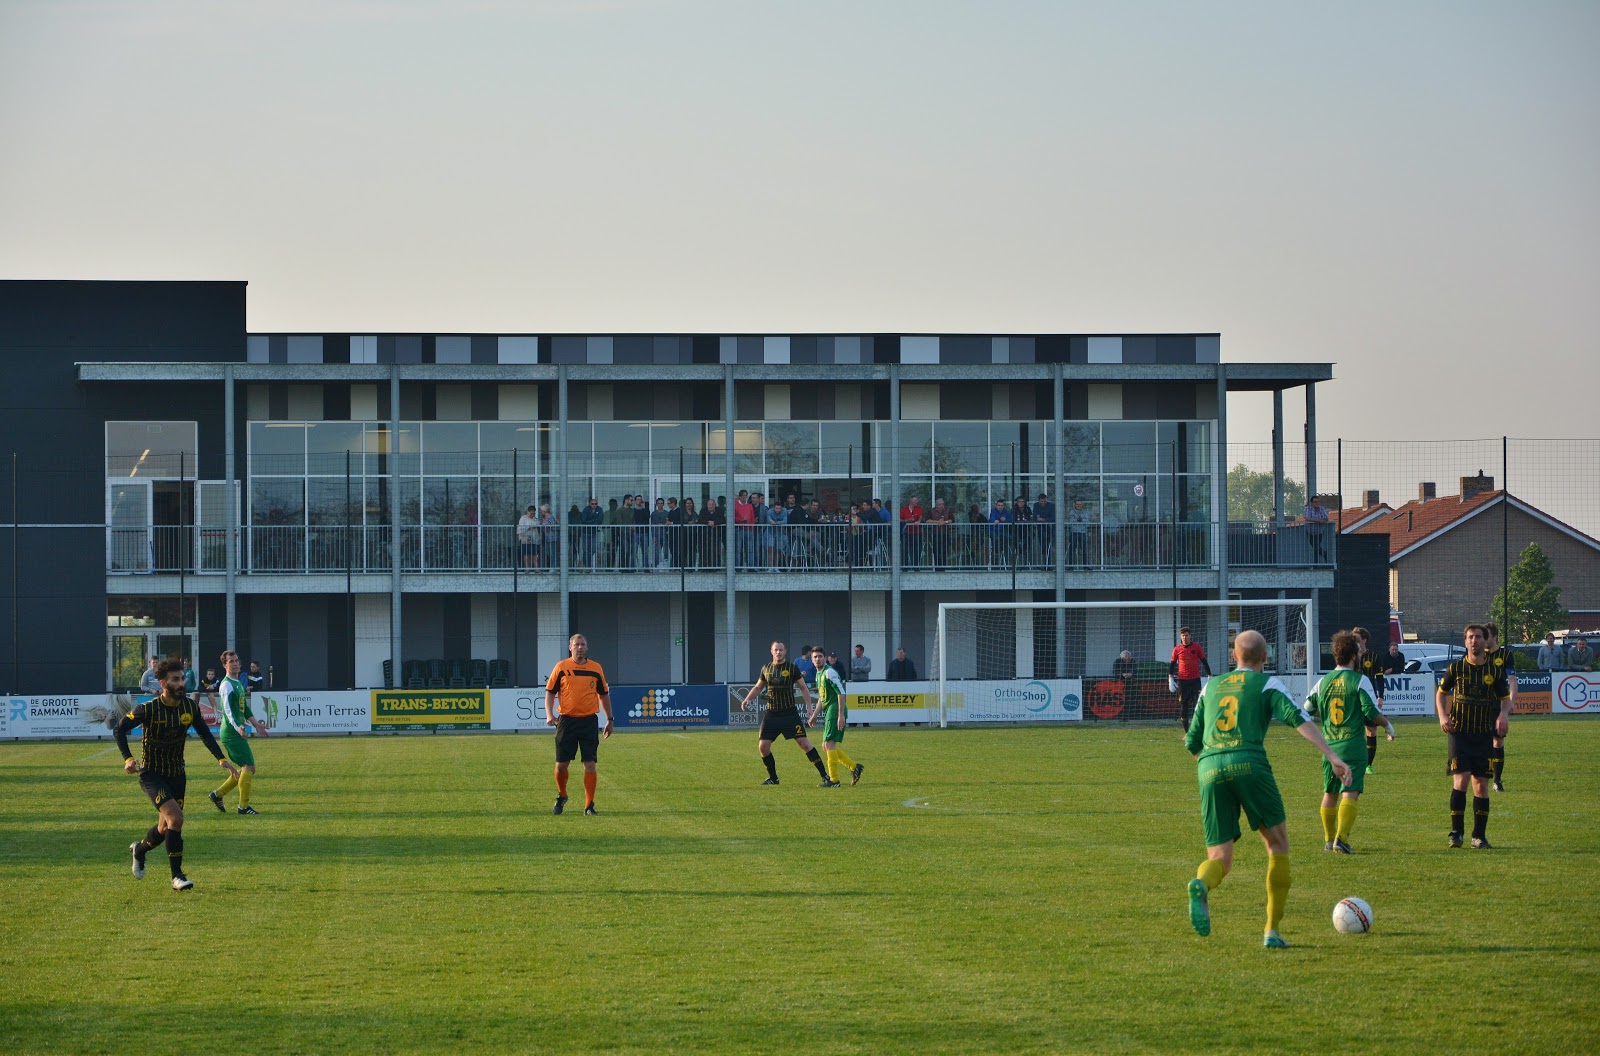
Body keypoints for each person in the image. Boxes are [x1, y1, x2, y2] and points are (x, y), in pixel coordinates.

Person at [1184, 630, 1352, 948]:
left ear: (1234, 656)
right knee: (1277, 845)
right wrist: (1332, 756)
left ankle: (1202, 883)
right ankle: (1271, 931)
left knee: (1220, 857)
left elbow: (1192, 741)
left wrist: (1215, 768)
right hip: (1250, 763)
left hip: (1208, 766)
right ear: (1265, 657)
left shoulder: (1210, 687)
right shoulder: (1267, 683)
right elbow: (1298, 717)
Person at [114, 657, 239, 891]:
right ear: (163, 683)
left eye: (182, 678)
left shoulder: (190, 708)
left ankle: (139, 849)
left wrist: (222, 759)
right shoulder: (148, 709)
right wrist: (128, 759)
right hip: (152, 775)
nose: (181, 683)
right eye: (175, 679)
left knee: (164, 829)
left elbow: (205, 734)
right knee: (176, 819)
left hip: (177, 775)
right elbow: (119, 729)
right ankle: (177, 876)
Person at [1305, 631, 1394, 854]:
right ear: (1354, 656)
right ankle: (1342, 839)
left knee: (1330, 792)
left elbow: (1307, 710)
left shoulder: (1322, 682)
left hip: (1329, 746)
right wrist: (1388, 725)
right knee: (1350, 790)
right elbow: (1370, 711)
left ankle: (1328, 840)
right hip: (1353, 745)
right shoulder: (1359, 680)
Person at [1436, 625, 1511, 848]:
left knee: (1481, 786)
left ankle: (1478, 836)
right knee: (1461, 780)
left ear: (1485, 641)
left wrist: (1503, 715)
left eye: (1478, 637)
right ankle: (1456, 833)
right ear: (1465, 642)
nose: (1474, 641)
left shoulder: (1494, 670)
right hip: (1460, 733)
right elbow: (1441, 694)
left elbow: (1505, 698)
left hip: (1483, 733)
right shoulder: (1456, 668)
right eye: (1470, 637)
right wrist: (1442, 716)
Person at [738, 640, 831, 786]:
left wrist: (809, 707)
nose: (778, 652)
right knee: (763, 746)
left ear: (785, 651)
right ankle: (773, 778)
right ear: (771, 651)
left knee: (805, 744)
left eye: (781, 650)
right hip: (772, 714)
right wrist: (747, 699)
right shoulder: (766, 668)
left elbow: (803, 688)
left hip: (789, 714)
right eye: (776, 650)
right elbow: (757, 687)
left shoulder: (792, 668)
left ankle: (825, 776)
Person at [544, 633, 614, 816]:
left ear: (587, 647)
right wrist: (549, 714)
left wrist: (610, 719)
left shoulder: (596, 668)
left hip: (589, 721)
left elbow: (604, 695)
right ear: (570, 647)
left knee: (590, 764)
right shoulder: (561, 667)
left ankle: (589, 805)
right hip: (566, 721)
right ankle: (562, 794)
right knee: (561, 765)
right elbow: (550, 692)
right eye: (577, 644)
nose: (580, 647)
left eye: (583, 644)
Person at [207, 650, 267, 815]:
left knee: (245, 768)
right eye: (231, 661)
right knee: (249, 766)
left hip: (235, 731)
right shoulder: (226, 684)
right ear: (225, 665)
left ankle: (217, 795)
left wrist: (256, 724)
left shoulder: (238, 683)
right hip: (232, 732)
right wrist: (238, 727)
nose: (235, 663)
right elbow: (228, 711)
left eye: (236, 660)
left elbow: (244, 708)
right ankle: (243, 807)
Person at [807, 647, 863, 787]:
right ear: (812, 659)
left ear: (825, 658)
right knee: (826, 746)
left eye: (820, 656)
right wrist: (814, 715)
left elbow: (841, 693)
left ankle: (834, 780)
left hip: (835, 709)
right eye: (815, 657)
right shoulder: (819, 674)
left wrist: (840, 715)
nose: (817, 659)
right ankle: (854, 767)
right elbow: (822, 697)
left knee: (829, 744)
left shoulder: (829, 672)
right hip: (830, 709)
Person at [1483, 623, 1517, 793]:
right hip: (1480, 703)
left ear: (1495, 637)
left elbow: (1512, 680)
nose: (1482, 639)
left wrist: (1510, 702)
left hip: (1498, 703)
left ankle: (1497, 780)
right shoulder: (1477, 654)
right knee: (1480, 742)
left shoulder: (1505, 655)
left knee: (1498, 741)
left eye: (1486, 636)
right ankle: (1481, 777)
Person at [1353, 627, 1386, 774]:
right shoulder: (1351, 657)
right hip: (1353, 698)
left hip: (1369, 698)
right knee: (1352, 730)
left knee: (1371, 730)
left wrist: (1380, 696)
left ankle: (1368, 765)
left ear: (1364, 640)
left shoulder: (1373, 656)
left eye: (1357, 638)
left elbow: (1380, 678)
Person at [1169, 627, 1212, 728]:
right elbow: (1172, 664)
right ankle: (1187, 732)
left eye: (1186, 635)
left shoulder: (1197, 647)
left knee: (1198, 706)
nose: (1185, 637)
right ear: (1180, 637)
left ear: (1190, 636)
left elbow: (1204, 661)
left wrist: (1209, 675)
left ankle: (1197, 729)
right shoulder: (1177, 649)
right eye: (1183, 635)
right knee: (1184, 707)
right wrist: (1170, 679)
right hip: (1182, 682)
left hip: (1195, 680)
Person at [900, 494, 925, 569]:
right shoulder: (904, 509)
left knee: (917, 550)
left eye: (917, 500)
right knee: (905, 550)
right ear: (911, 501)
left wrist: (918, 521)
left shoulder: (919, 508)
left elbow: (920, 517)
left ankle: (916, 567)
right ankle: (905, 567)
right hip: (907, 533)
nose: (916, 502)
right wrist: (907, 521)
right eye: (915, 500)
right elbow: (899, 519)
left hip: (917, 533)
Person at [1303, 496, 1330, 560]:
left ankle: (1316, 564)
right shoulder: (1308, 509)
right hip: (1310, 532)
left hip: (1319, 532)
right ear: (1311, 503)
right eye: (1315, 502)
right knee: (1315, 547)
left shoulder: (1322, 508)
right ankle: (1325, 555)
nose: (1317, 503)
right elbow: (1307, 518)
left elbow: (1326, 518)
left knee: (1316, 547)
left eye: (1318, 501)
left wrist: (1320, 520)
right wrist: (1319, 520)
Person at [1066, 500, 1091, 567]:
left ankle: (1086, 566)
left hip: (1082, 533)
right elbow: (1071, 521)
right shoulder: (1072, 512)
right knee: (1072, 550)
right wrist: (1079, 520)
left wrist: (1080, 519)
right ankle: (1071, 566)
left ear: (1082, 505)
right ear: (1075, 505)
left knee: (1084, 550)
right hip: (1073, 533)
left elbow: (1087, 523)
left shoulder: (1085, 512)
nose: (1078, 505)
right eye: (1077, 504)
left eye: (1080, 504)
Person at [517, 504, 540, 569]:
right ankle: (527, 568)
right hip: (526, 538)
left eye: (534, 513)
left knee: (535, 554)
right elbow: (520, 529)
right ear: (528, 512)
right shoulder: (523, 519)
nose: (533, 515)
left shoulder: (535, 519)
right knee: (526, 554)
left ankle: (536, 569)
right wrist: (529, 527)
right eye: (531, 513)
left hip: (534, 539)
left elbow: (538, 527)